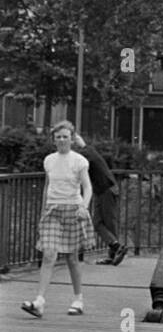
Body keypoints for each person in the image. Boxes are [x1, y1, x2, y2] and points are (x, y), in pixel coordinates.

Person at [21, 120, 96, 318]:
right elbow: (47, 186)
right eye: (58, 137)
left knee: (71, 257)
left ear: (72, 139)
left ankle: (78, 299)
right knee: (49, 254)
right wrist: (42, 210)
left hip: (72, 208)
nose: (62, 140)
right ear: (54, 140)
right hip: (52, 210)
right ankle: (39, 301)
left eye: (65, 137)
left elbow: (87, 187)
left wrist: (83, 207)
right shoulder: (49, 160)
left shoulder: (79, 161)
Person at [72, 130, 127, 266]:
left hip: (107, 190)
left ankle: (114, 252)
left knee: (109, 222)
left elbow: (85, 158)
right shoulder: (86, 155)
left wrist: (82, 145)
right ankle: (115, 247)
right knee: (97, 223)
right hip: (100, 191)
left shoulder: (88, 154)